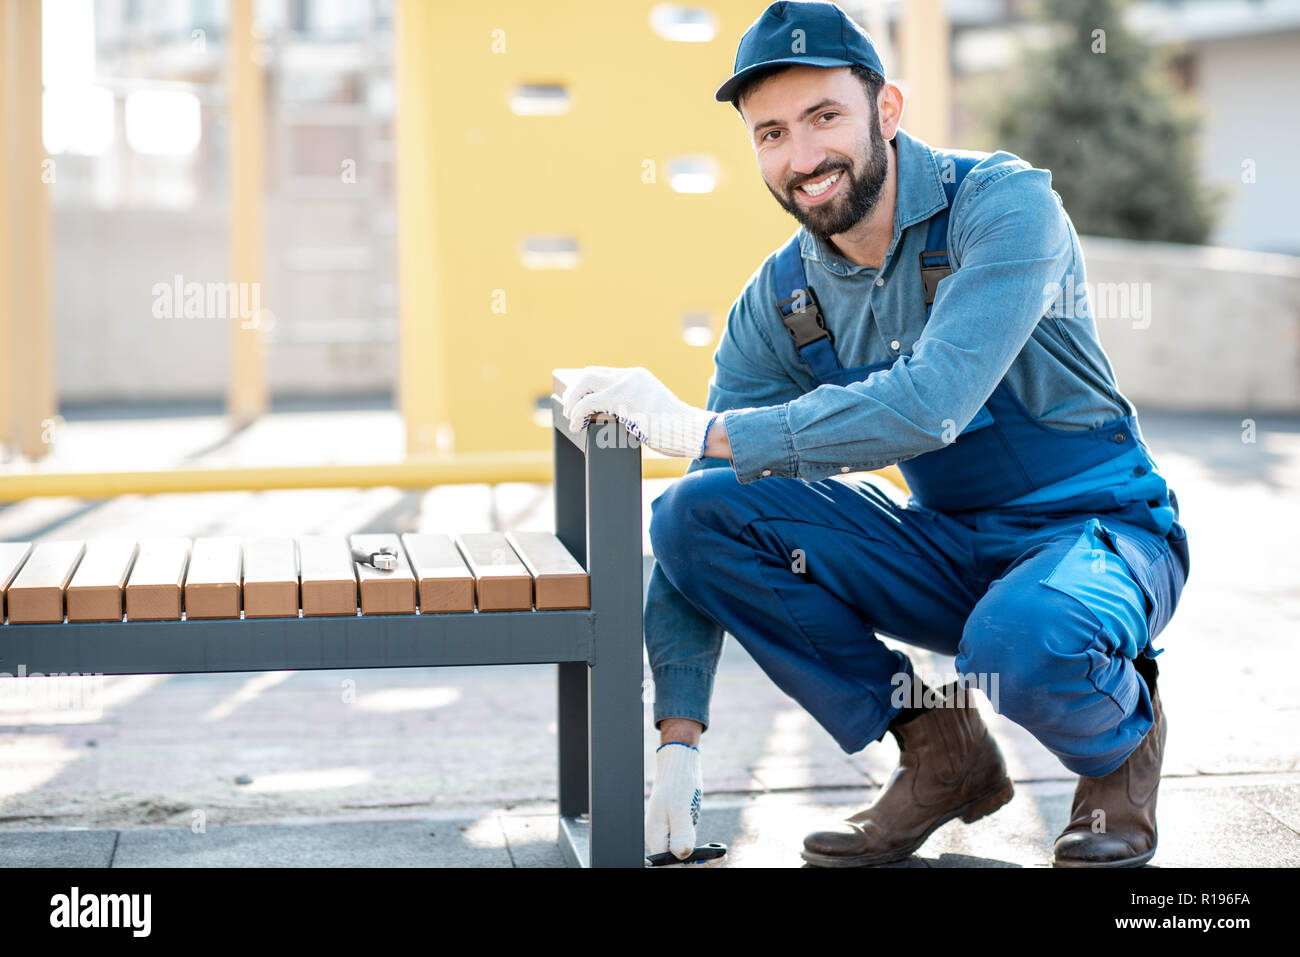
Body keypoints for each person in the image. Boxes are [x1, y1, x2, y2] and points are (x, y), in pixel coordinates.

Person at [561, 0, 1190, 867]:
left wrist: (694, 426)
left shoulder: (1003, 205)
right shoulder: (782, 300)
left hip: (1096, 535)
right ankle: (940, 751)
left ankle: (1121, 752)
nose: (802, 157)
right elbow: (697, 522)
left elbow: (933, 403)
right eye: (771, 133)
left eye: (825, 117)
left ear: (886, 111)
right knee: (695, 511)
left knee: (1025, 639)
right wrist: (678, 739)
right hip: (949, 551)